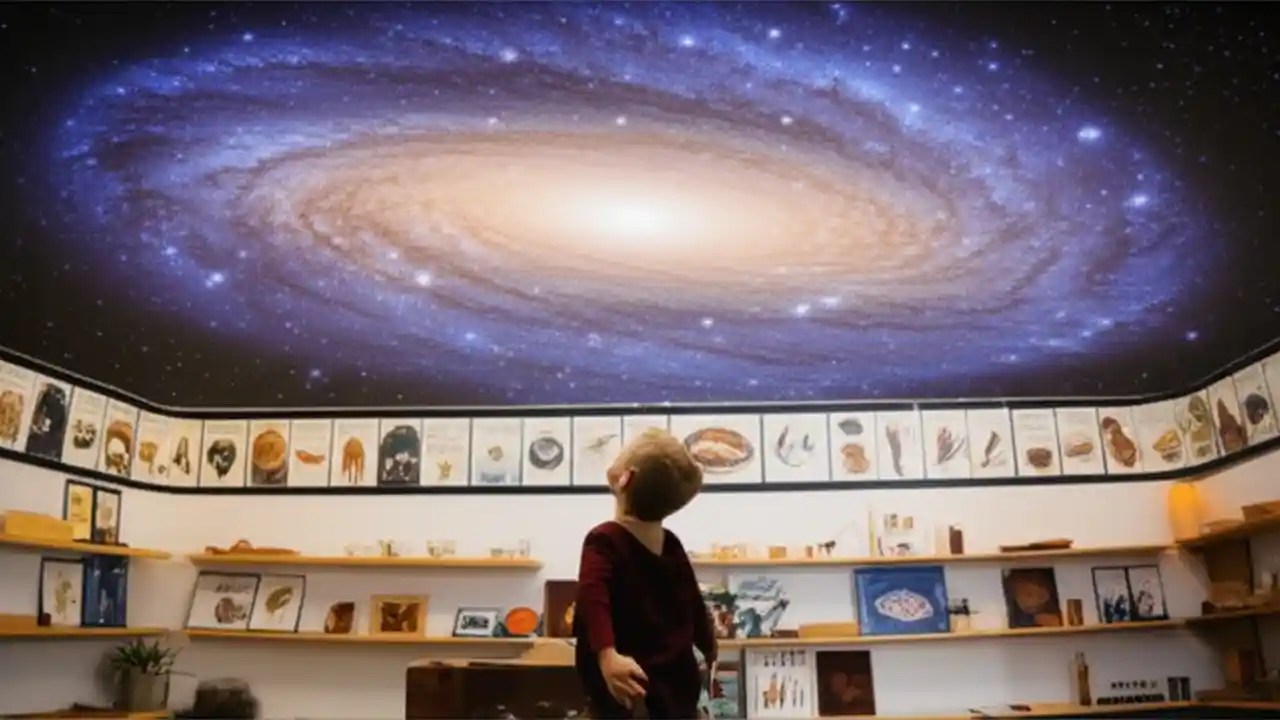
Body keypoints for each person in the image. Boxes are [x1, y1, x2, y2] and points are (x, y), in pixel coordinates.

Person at [574, 429, 716, 718]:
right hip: (676, 691)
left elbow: (593, 598)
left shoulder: (604, 539)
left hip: (628, 690)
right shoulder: (671, 543)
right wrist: (708, 648)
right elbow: (694, 604)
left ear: (624, 478)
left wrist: (607, 654)